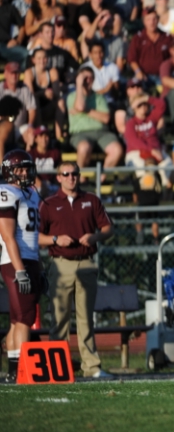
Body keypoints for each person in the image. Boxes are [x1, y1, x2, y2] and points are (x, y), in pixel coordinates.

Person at [38, 160, 112, 378]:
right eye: (66, 174)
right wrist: (54, 239)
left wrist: (95, 236)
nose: (71, 177)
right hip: (61, 264)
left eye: (75, 174)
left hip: (87, 262)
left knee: (85, 318)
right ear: (58, 177)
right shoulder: (49, 204)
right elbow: (37, 236)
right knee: (59, 318)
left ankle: (91, 367)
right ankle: (56, 367)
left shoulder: (91, 200)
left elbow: (108, 228)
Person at [0, 151, 44, 383]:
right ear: (9, 171)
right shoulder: (6, 192)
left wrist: (39, 266)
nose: (25, 173)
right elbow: (8, 236)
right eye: (19, 169)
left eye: (27, 168)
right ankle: (23, 372)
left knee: (18, 319)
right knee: (26, 318)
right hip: (15, 260)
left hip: (30, 259)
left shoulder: (31, 193)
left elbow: (34, 235)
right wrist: (19, 270)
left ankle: (12, 372)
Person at [67, 67, 122, 173]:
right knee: (84, 148)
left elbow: (106, 118)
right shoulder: (71, 97)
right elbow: (80, 106)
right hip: (81, 133)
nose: (88, 80)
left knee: (117, 150)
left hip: (102, 132)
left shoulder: (99, 97)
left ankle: (102, 178)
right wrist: (79, 84)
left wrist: (86, 110)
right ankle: (80, 178)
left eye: (91, 78)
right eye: (85, 78)